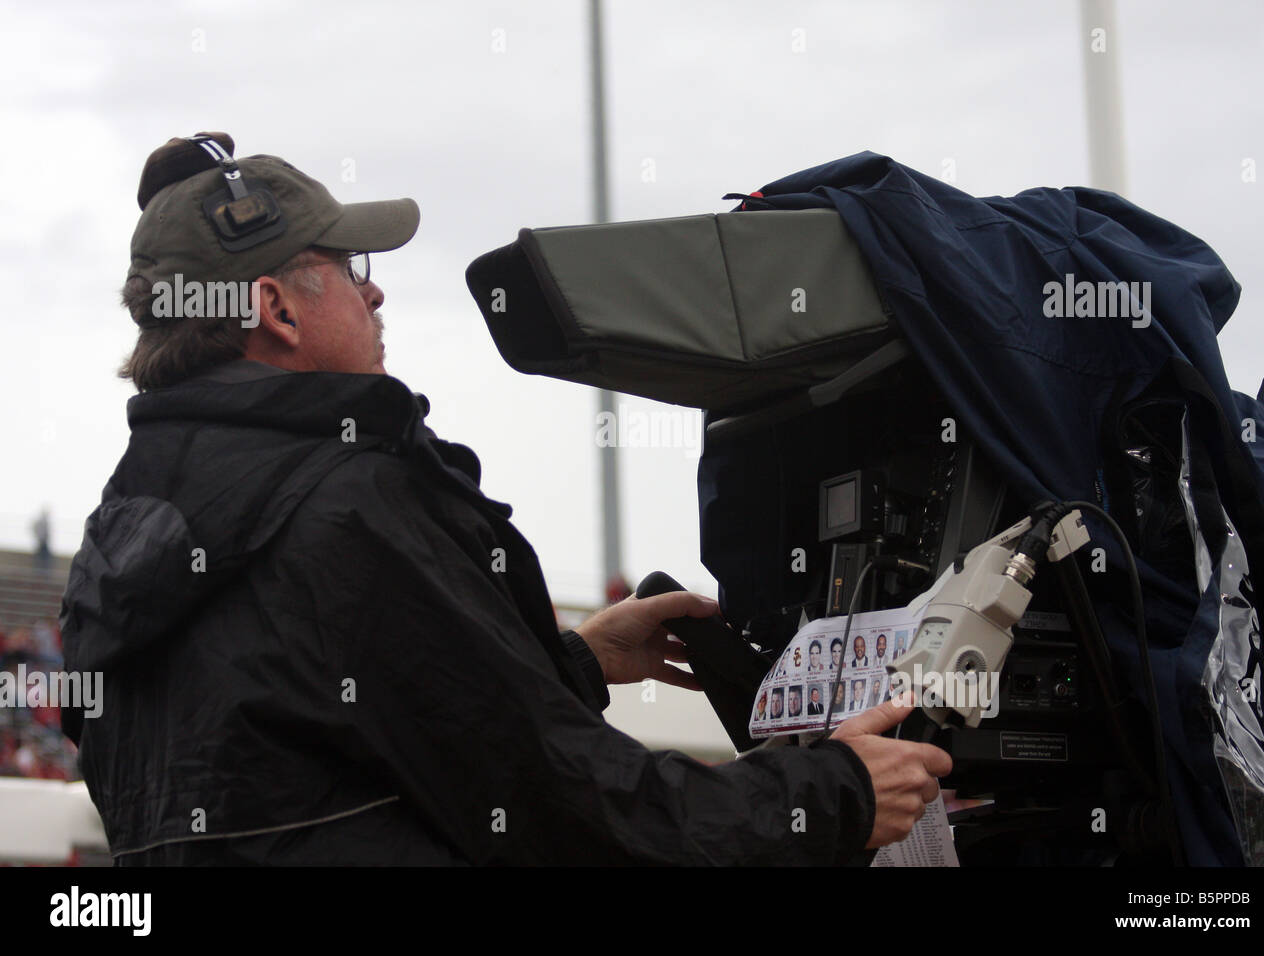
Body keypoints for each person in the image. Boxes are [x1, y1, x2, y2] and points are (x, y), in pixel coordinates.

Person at [59, 133, 951, 865]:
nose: (374, 289)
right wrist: (836, 794)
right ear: (277, 309)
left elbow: (343, 750)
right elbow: (576, 821)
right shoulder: (346, 504)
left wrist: (571, 666)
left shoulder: (126, 536)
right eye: (346, 264)